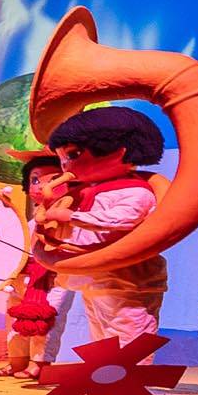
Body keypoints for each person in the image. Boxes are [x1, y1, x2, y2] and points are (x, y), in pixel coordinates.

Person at [42, 105, 169, 343]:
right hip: (96, 278)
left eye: (72, 155)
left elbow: (123, 218)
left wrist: (72, 217)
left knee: (129, 335)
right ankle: (105, 368)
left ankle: (128, 369)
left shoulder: (135, 191)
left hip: (126, 279)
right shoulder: (90, 192)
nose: (65, 165)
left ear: (118, 152)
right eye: (61, 159)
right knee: (101, 336)